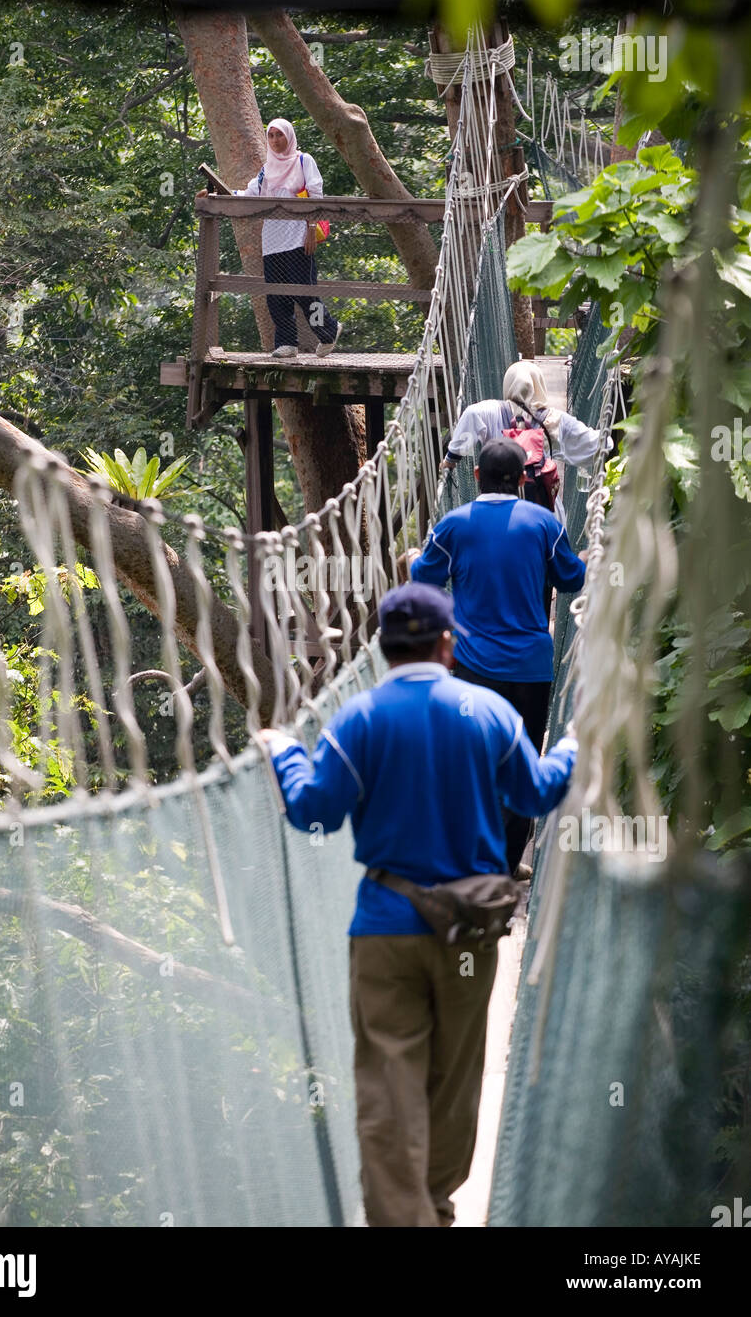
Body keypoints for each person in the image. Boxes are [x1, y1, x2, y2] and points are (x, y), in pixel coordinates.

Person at [258, 582, 578, 1228]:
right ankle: (433, 1206)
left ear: (381, 647)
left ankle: (404, 1219)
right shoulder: (487, 712)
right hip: (469, 933)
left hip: (386, 929)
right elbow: (537, 795)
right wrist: (574, 744)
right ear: (447, 644)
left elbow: (313, 813)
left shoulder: (359, 718)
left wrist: (285, 752)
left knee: (389, 1087)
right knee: (455, 1083)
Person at [410, 439, 587, 878]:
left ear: (475, 477)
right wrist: (587, 556)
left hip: (472, 671)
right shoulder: (544, 525)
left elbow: (424, 579)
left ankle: (470, 863)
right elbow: (571, 579)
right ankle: (505, 870)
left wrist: (415, 557)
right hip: (530, 669)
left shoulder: (453, 526)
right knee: (521, 762)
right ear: (524, 479)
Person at [199, 118, 341, 360]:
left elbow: (317, 196)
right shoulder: (267, 170)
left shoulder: (303, 161)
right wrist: (214, 193)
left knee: (304, 292)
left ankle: (328, 331)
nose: (275, 140)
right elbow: (248, 195)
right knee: (276, 294)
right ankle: (287, 343)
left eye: (280, 135)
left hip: (298, 237)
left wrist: (311, 228)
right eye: (271, 136)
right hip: (273, 240)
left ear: (289, 137)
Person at [441, 359, 612, 519]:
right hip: (544, 510)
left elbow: (470, 414)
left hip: (498, 509)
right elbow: (599, 445)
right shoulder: (556, 419)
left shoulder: (488, 410)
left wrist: (451, 459)